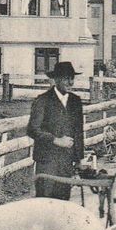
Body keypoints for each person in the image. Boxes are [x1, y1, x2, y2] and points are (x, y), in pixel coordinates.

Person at [27, 61, 85, 201]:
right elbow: (33, 129)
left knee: (63, 202)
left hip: (66, 161)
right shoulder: (43, 101)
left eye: (72, 78)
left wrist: (78, 159)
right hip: (47, 161)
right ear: (57, 79)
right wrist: (56, 140)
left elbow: (78, 131)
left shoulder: (75, 101)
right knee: (45, 202)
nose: (70, 82)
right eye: (66, 78)